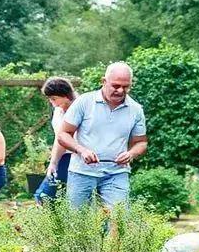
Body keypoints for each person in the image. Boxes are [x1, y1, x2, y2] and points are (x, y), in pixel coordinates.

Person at [55, 62, 147, 208]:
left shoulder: (135, 109)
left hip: (116, 173)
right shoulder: (84, 102)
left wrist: (131, 154)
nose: (121, 90)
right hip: (82, 172)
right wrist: (82, 150)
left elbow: (141, 142)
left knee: (119, 218)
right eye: (116, 86)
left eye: (126, 86)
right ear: (104, 81)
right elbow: (63, 134)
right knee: (76, 222)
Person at [33, 77, 77, 203]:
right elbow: (59, 138)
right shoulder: (58, 111)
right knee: (44, 197)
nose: (52, 103)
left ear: (66, 95)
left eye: (54, 99)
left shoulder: (80, 109)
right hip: (63, 158)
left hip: (77, 159)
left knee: (46, 196)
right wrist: (53, 162)